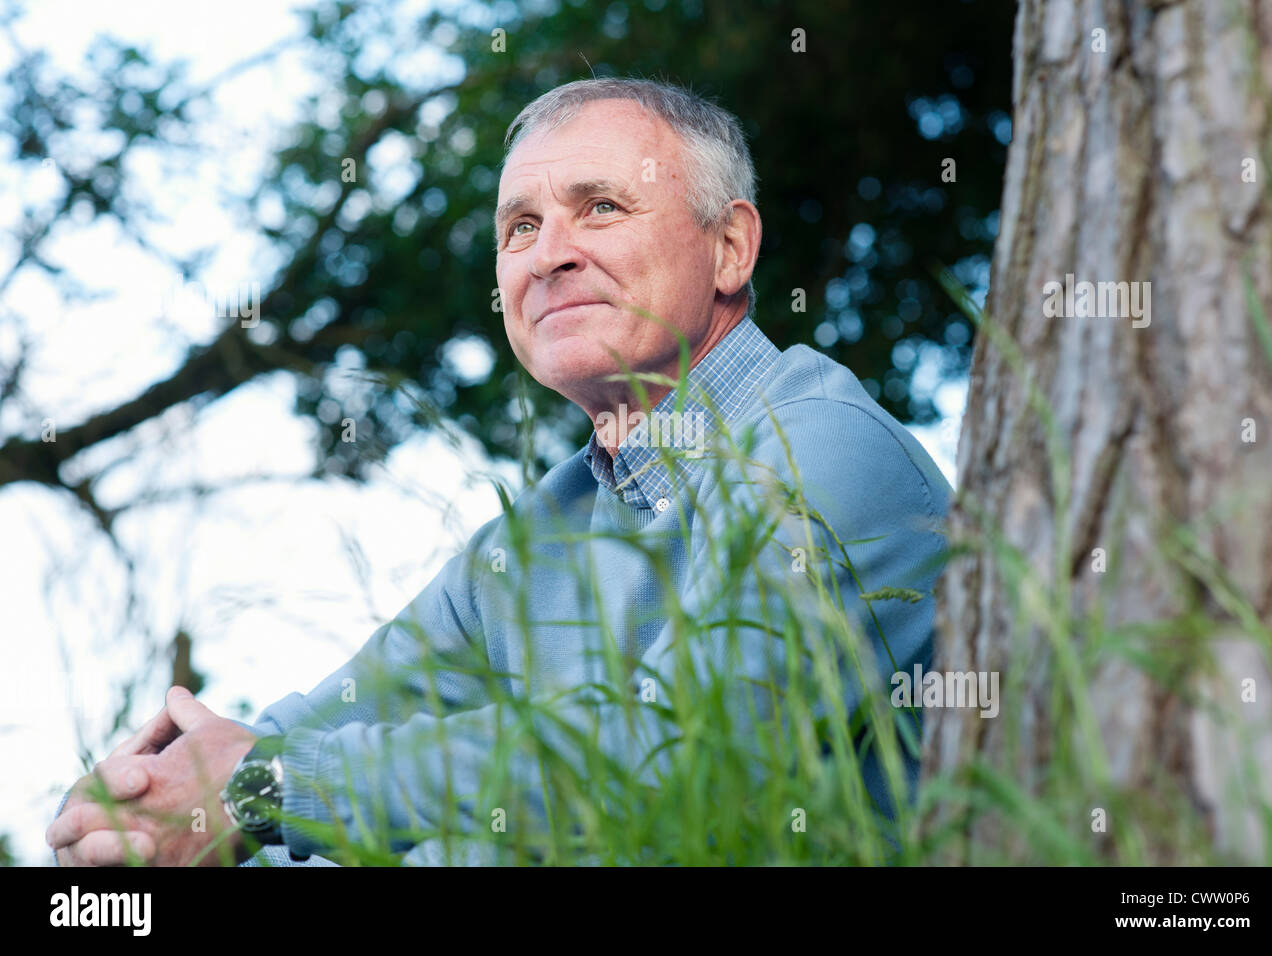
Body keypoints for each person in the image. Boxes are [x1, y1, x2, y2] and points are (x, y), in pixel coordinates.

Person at [47, 76, 951, 867]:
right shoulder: (534, 536)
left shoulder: (821, 450)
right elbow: (316, 738)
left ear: (731, 248)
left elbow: (672, 759)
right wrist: (139, 806)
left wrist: (257, 793)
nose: (549, 254)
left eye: (601, 206)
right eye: (521, 226)